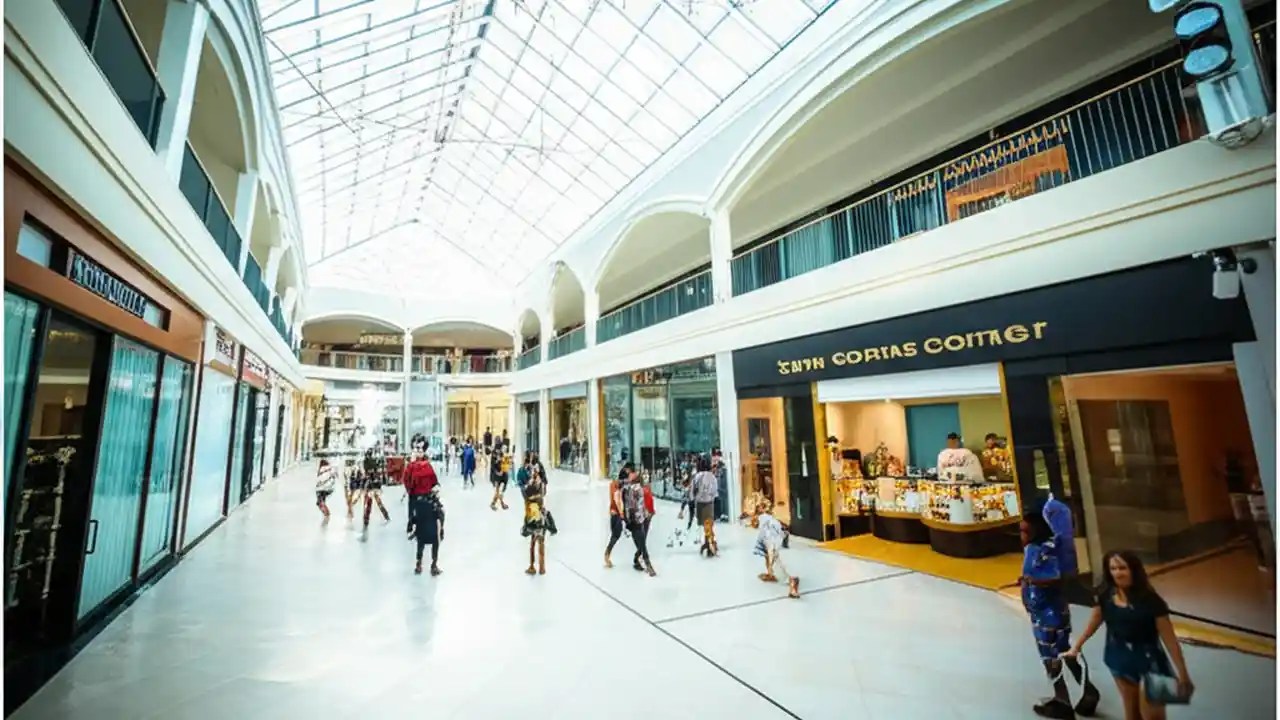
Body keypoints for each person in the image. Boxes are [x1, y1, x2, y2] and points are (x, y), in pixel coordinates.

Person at [1065, 551, 1193, 720]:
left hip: (1152, 663)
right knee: (1131, 715)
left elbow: (1169, 640)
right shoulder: (1105, 597)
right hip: (1119, 659)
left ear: (1133, 570)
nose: (1118, 572)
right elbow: (1095, 621)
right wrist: (1076, 647)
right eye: (1113, 568)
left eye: (1122, 568)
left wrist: (1183, 674)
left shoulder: (1152, 601)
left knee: (1154, 717)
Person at [1020, 512, 1092, 719]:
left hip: (1046, 614)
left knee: (1050, 657)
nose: (1022, 535)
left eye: (1025, 530)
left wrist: (1031, 579)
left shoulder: (1039, 549)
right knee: (1067, 651)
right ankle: (1087, 692)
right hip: (1056, 610)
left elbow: (1054, 577)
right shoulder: (1052, 546)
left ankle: (1063, 701)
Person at [754, 501, 799, 598]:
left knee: (776, 564)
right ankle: (775, 575)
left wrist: (770, 563)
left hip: (772, 541)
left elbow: (769, 539)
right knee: (774, 559)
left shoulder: (764, 520)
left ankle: (792, 583)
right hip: (776, 539)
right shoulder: (771, 518)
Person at [623, 468, 655, 576]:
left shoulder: (637, 489)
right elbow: (631, 505)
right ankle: (645, 562)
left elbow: (631, 506)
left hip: (638, 519)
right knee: (642, 541)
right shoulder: (637, 489)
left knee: (641, 541)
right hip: (639, 519)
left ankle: (640, 560)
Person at [521, 465, 551, 575]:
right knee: (539, 542)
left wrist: (531, 495)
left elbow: (527, 495)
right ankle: (540, 567)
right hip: (538, 515)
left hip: (535, 515)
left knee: (534, 543)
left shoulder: (535, 485)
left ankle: (534, 566)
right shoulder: (540, 485)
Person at [409, 487, 445, 576]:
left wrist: (412, 529)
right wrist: (441, 531)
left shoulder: (418, 503)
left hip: (421, 531)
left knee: (420, 544)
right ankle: (434, 565)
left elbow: (413, 519)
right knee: (435, 544)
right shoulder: (435, 505)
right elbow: (441, 516)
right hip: (432, 531)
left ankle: (419, 563)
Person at [403, 451, 439, 534]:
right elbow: (434, 479)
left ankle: (410, 523)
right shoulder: (428, 466)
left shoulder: (410, 466)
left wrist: (409, 489)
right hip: (426, 492)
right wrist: (430, 487)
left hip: (414, 492)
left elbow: (405, 479)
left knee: (411, 508)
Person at [691, 456, 719, 557]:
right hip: (709, 503)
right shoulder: (712, 476)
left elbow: (692, 490)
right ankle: (709, 542)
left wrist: (693, 498)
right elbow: (715, 491)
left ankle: (709, 543)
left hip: (700, 503)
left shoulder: (697, 476)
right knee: (709, 524)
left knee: (705, 524)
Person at [604, 465, 629, 568]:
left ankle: (607, 554)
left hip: (613, 512)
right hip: (617, 514)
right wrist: (623, 514)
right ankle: (607, 554)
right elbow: (617, 500)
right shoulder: (618, 487)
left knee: (615, 535)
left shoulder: (613, 484)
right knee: (616, 535)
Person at [632, 476, 656, 571]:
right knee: (642, 539)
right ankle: (639, 558)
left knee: (641, 540)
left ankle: (641, 559)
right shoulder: (646, 490)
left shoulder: (636, 491)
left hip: (640, 518)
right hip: (645, 517)